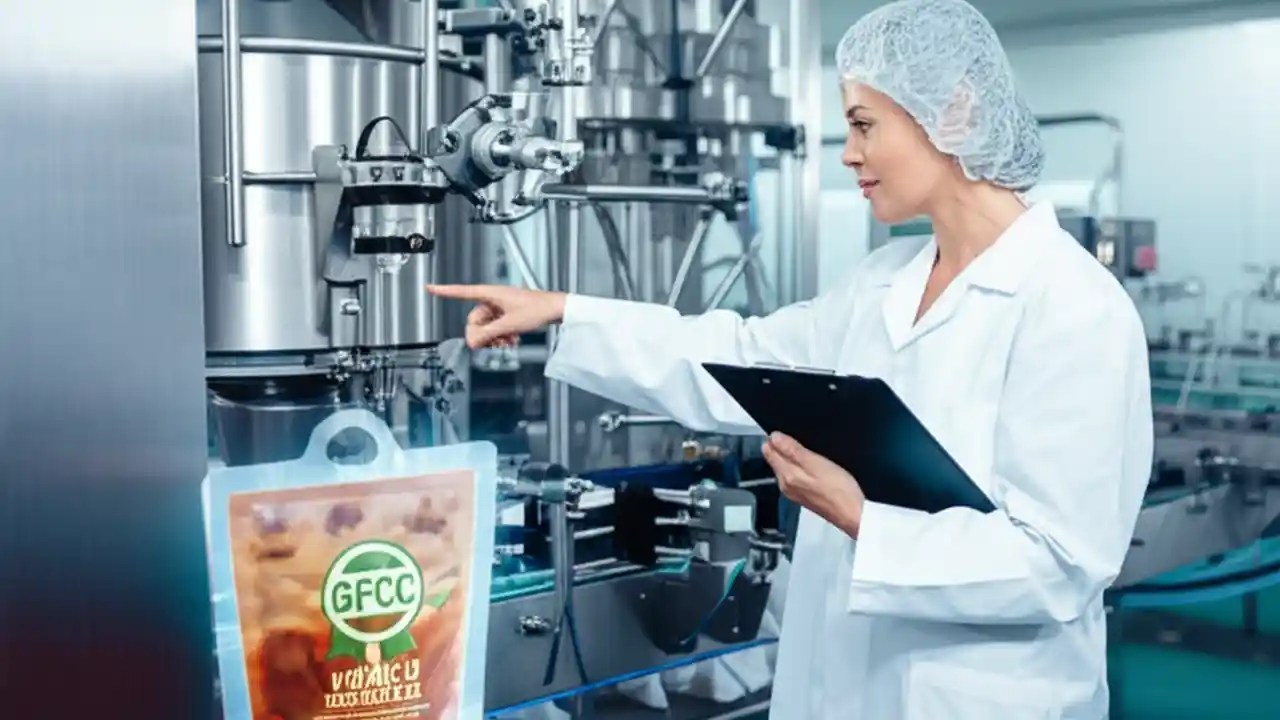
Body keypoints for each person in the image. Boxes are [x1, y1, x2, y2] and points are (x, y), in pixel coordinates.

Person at [429, 0, 1154, 716]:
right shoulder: (881, 283)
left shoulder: (1072, 306)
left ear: (955, 113)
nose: (848, 154)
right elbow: (740, 358)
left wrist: (863, 519)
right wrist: (567, 314)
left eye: (865, 124)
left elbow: (1061, 564)